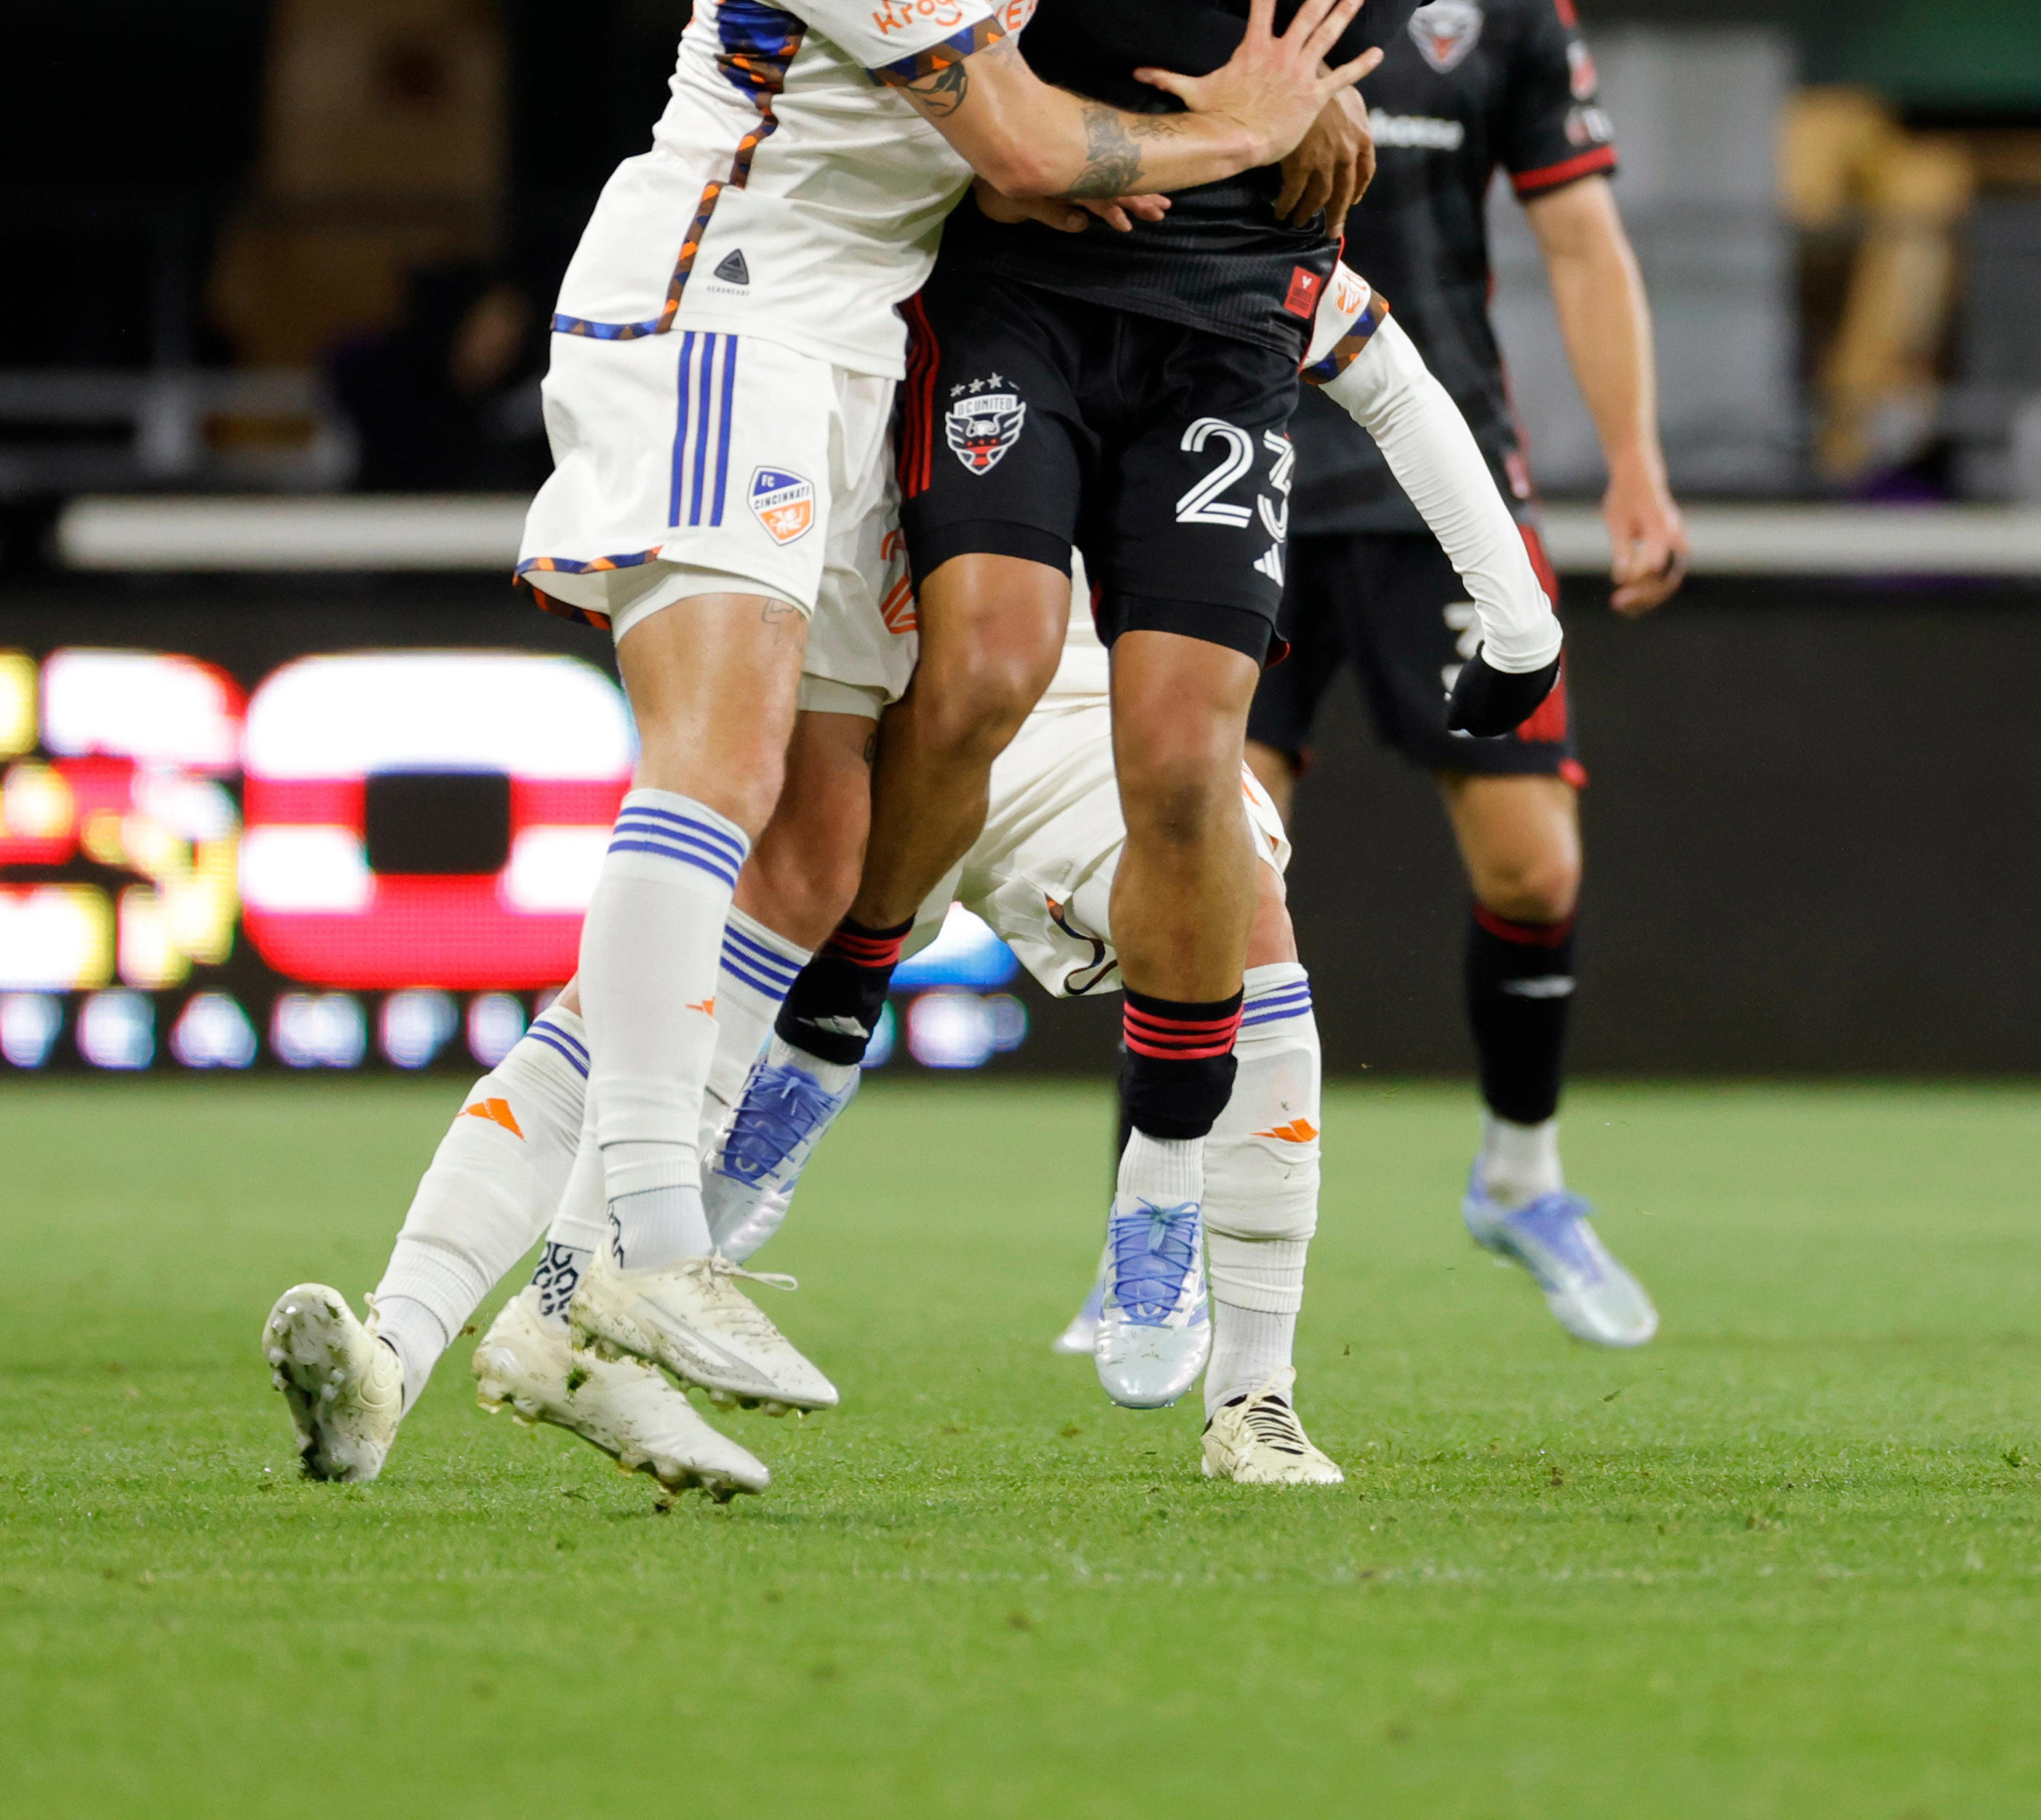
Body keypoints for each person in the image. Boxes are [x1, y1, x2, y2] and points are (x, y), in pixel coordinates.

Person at [263, 0, 1366, 1488]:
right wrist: (1251, 130)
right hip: (721, 305)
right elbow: (1031, 151)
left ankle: (446, 1333)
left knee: (800, 857)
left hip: (855, 349)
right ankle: (658, 1237)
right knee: (714, 762)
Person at [257, 257, 1560, 1500]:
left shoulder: (1127, 189)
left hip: (1054, 696)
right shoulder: (840, 226)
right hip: (865, 708)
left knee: (1241, 902)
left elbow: (1361, 350)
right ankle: (419, 1347)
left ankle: (1254, 1398)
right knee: (629, 1017)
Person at [723, 0, 1492, 1414]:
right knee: (971, 669)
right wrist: (1260, 68)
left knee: (1183, 772)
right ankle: (837, 1014)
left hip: (1228, 315)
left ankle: (1154, 1196)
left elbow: (1331, 11)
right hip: (1028, 270)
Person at [1243, 0, 1690, 1351]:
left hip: (1436, 481)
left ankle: (1517, 1173)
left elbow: (1577, 233)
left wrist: (1630, 463)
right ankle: (1163, 1210)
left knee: (1527, 863)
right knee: (1201, 853)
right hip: (1242, 465)